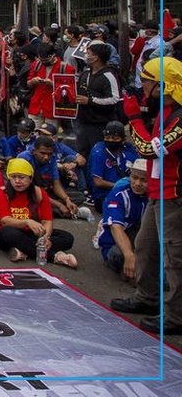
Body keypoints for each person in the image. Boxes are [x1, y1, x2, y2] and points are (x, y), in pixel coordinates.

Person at [111, 58, 182, 335]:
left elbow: (148, 149)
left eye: (148, 82)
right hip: (158, 190)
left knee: (174, 256)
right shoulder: (165, 110)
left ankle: (176, 315)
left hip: (174, 195)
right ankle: (147, 297)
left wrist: (134, 117)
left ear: (163, 86)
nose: (143, 88)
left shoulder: (179, 117)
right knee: (145, 245)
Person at [0, 158, 77, 267]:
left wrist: (46, 238)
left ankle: (25, 251)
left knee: (67, 238)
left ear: (30, 178)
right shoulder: (3, 192)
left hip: (32, 233)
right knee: (9, 233)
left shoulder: (39, 193)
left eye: (22, 177)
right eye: (13, 177)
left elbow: (47, 220)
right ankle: (55, 257)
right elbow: (5, 221)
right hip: (8, 232)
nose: (17, 181)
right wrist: (27, 222)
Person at [98, 159, 149, 280]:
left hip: (140, 240)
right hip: (115, 244)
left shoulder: (155, 196)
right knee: (119, 255)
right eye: (134, 178)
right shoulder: (118, 195)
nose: (137, 183)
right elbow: (116, 228)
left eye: (144, 180)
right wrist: (129, 255)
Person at [88, 121, 138, 210]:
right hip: (104, 195)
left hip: (127, 193)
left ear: (123, 140)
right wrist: (119, 185)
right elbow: (98, 182)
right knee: (121, 207)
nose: (110, 140)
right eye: (107, 137)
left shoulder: (129, 152)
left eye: (115, 138)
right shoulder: (99, 153)